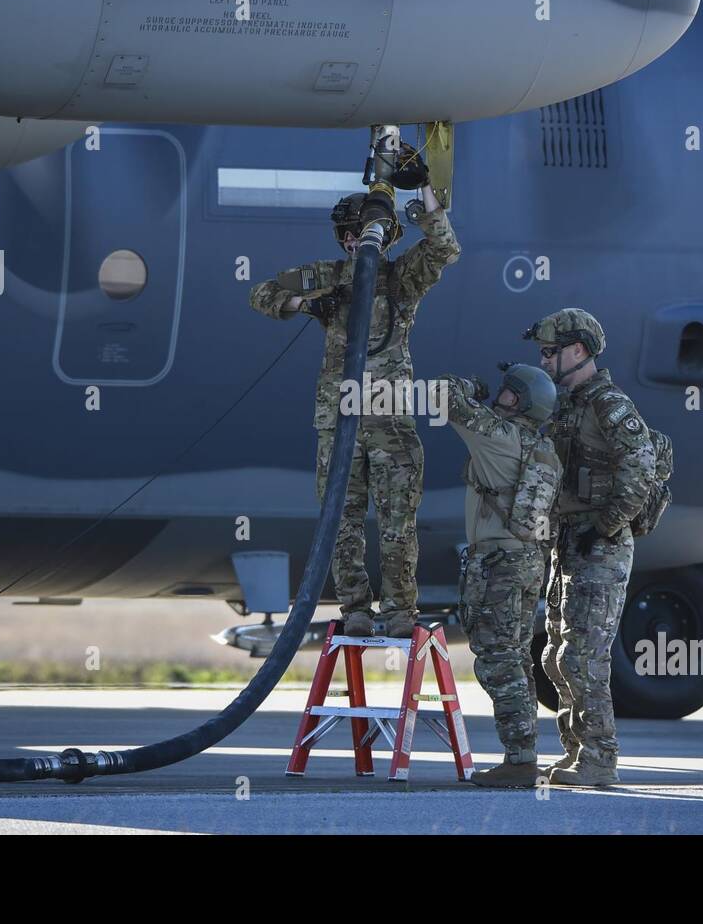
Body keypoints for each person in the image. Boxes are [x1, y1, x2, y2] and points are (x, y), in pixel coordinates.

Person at [249, 148, 461, 639]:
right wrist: (303, 303)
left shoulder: (399, 278)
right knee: (340, 520)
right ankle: (356, 606)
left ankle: (401, 611)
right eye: (349, 233)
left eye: (364, 232)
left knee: (396, 520)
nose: (356, 242)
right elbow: (260, 292)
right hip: (339, 417)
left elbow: (445, 248)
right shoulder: (326, 277)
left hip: (388, 418)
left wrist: (423, 184)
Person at [527, 308, 656, 787]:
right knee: (556, 656)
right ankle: (575, 751)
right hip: (569, 541)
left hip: (600, 546)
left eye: (549, 352)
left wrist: (606, 524)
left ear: (578, 351)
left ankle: (600, 759)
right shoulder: (567, 403)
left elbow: (640, 465)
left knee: (585, 656)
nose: (543, 361)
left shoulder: (608, 404)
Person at [436, 365, 562, 787]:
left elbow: (443, 395)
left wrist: (469, 383)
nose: (501, 396)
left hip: (499, 565)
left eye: (510, 392)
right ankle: (522, 754)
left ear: (524, 403)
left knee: (498, 660)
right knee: (515, 656)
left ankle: (521, 760)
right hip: (526, 560)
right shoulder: (536, 446)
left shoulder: (498, 436)